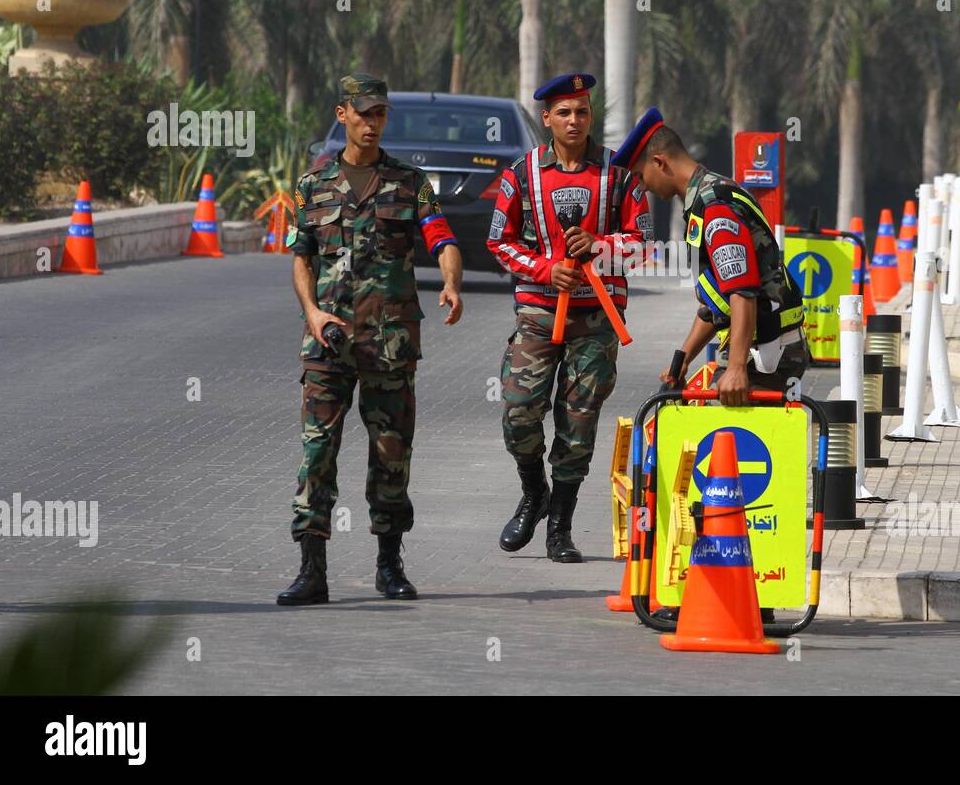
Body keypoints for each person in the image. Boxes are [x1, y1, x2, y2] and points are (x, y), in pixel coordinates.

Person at [278, 73, 464, 605]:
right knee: (318, 453)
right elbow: (301, 259)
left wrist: (450, 283)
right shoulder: (312, 186)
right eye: (362, 113)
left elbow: (442, 237)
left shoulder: (409, 182)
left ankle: (389, 564)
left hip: (389, 343)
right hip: (329, 343)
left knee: (391, 454)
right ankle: (311, 570)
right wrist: (312, 313)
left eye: (379, 114)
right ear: (342, 115)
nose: (371, 122)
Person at [487, 72, 650, 562]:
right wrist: (544, 268)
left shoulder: (621, 176)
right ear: (547, 119)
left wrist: (600, 248)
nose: (574, 120)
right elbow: (499, 240)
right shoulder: (521, 174)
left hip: (597, 322)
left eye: (582, 111)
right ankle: (532, 491)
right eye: (564, 112)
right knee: (519, 410)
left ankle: (560, 525)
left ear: (590, 116)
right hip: (538, 314)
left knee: (578, 426)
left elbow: (641, 245)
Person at [612, 107, 807, 404]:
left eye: (640, 176)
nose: (643, 186)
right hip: (761, 345)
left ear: (659, 162)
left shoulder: (714, 207)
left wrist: (738, 367)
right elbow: (718, 299)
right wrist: (683, 360)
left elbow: (742, 291)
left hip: (768, 353)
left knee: (728, 442)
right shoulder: (708, 197)